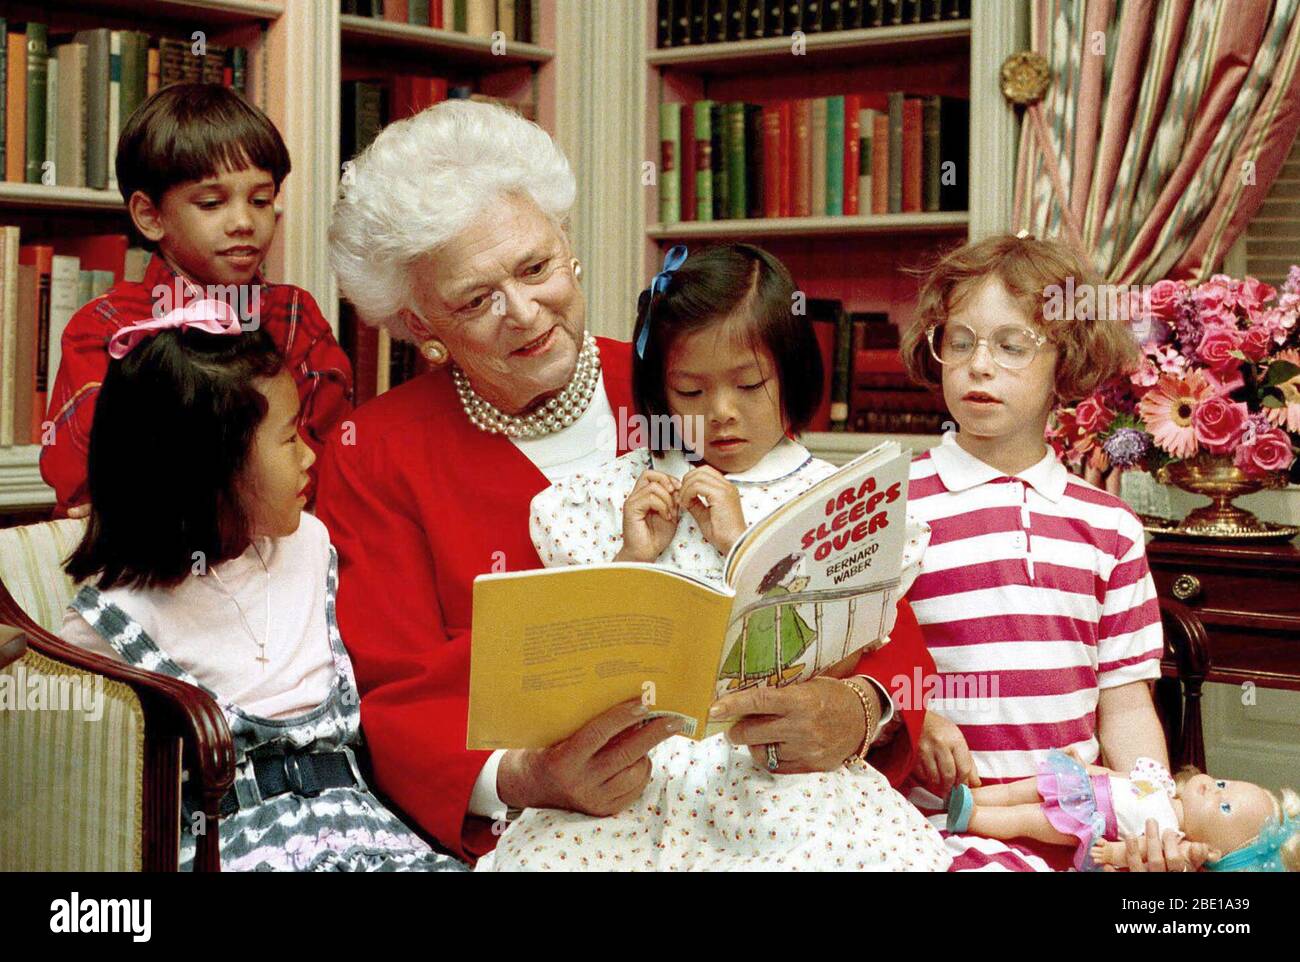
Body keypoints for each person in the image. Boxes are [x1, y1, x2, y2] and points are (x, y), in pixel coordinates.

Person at [317, 99, 936, 864]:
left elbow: (832, 559)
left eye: (537, 267)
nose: (523, 312)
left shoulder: (688, 381)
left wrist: (860, 707)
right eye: (476, 299)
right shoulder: (374, 451)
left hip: (754, 800)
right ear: (420, 326)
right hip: (573, 827)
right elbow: (392, 691)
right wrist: (524, 778)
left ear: (568, 244)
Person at [479, 243, 949, 870]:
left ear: (792, 373)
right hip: (636, 776)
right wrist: (632, 557)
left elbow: (852, 642)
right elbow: (576, 663)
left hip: (767, 766)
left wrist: (743, 544)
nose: (721, 413)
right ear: (659, 389)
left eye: (750, 385)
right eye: (690, 390)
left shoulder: (831, 498)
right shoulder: (611, 498)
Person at [59, 302, 463, 872]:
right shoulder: (114, 621)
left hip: (375, 843)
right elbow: (85, 805)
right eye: (288, 438)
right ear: (208, 468)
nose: (310, 454)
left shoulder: (312, 546)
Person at [899, 234, 1179, 871]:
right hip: (927, 824)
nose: (979, 365)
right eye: (961, 341)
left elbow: (1127, 704)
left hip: (1073, 832)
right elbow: (860, 656)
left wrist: (1152, 813)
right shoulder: (895, 503)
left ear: (1066, 362)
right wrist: (916, 714)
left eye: (1011, 344)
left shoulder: (1108, 525)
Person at [41, 83, 352, 516]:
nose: (244, 222)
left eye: (261, 200)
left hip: (280, 555)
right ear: (150, 216)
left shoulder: (295, 316)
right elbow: (88, 472)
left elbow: (328, 456)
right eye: (211, 203)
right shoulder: (106, 326)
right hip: (146, 563)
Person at [945, 751, 1299, 873]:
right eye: (1223, 783)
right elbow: (1121, 778)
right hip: (1082, 785)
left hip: (1086, 821)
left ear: (1216, 851)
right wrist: (1086, 768)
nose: (1212, 787)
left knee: (1027, 819)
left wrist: (1112, 852)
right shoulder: (1161, 782)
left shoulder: (1170, 837)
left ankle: (972, 818)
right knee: (1020, 789)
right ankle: (972, 796)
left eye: (1223, 806)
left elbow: (1138, 846)